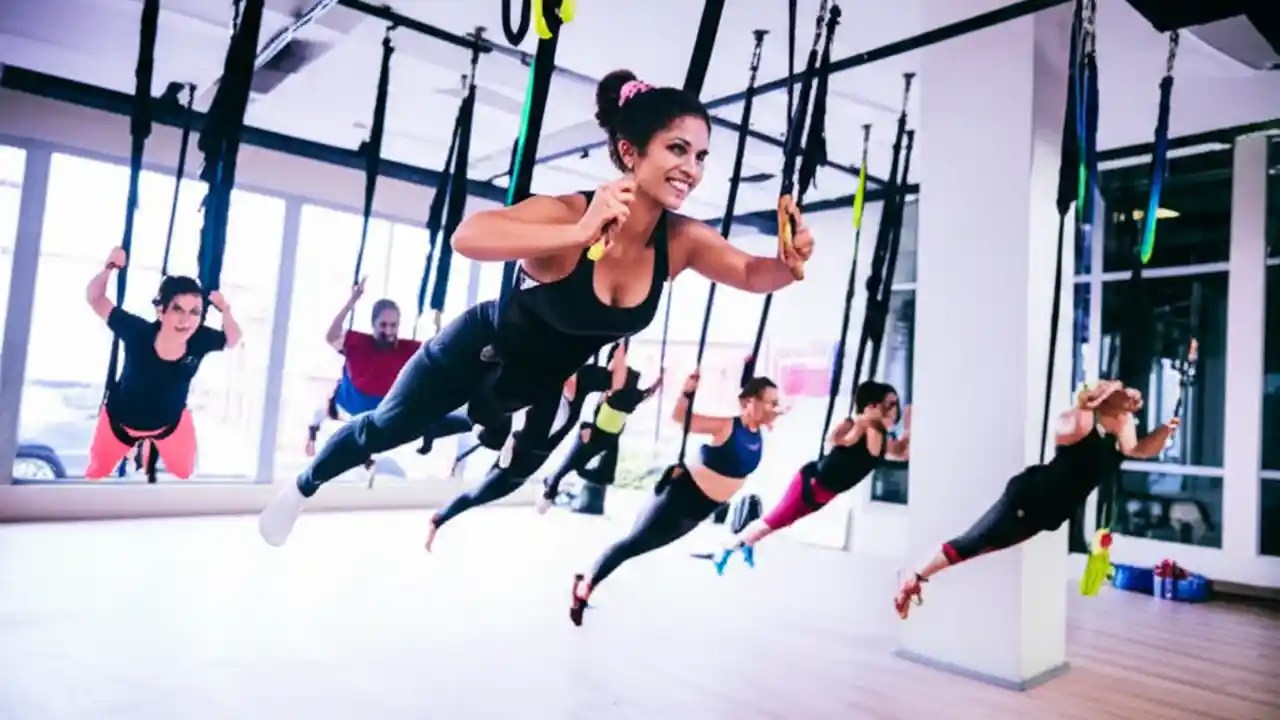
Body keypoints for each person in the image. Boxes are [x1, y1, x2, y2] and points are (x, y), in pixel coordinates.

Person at [258, 69, 815, 547]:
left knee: (504, 447)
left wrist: (789, 262)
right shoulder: (569, 211)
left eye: (700, 156)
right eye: (677, 149)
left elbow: (750, 272)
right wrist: (578, 230)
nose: (692, 168)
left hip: (536, 384)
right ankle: (303, 483)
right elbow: (467, 237)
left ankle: (461, 429)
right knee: (383, 429)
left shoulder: (683, 239)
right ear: (629, 151)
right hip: (475, 351)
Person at [893, 380, 1180, 619]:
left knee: (979, 548)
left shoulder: (1121, 426)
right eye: (1123, 394)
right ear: (1103, 398)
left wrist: (1165, 430)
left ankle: (914, 580)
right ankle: (914, 580)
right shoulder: (1078, 422)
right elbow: (1081, 408)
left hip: (1047, 514)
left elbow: (1139, 449)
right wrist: (1107, 391)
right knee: (973, 543)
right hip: (1030, 498)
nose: (1132, 398)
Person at [567, 372, 782, 626]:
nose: (775, 408)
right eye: (770, 402)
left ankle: (590, 576)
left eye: (775, 402)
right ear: (749, 402)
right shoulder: (726, 426)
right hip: (678, 498)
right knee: (632, 544)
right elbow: (680, 417)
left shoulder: (757, 434)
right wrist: (686, 393)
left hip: (699, 511)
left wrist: (751, 376)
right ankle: (586, 586)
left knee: (638, 547)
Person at [421, 343, 629, 552]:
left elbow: (616, 384)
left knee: (485, 486)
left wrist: (620, 344)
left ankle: (485, 434)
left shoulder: (585, 377)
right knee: (491, 423)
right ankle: (446, 427)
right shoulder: (547, 372)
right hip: (519, 429)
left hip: (526, 453)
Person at [701, 381, 909, 574]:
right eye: (890, 404)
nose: (894, 410)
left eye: (896, 404)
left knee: (776, 523)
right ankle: (725, 551)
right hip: (811, 484)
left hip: (822, 493)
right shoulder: (866, 428)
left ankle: (744, 544)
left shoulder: (875, 433)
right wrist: (863, 422)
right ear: (872, 405)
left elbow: (899, 452)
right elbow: (845, 442)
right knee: (772, 522)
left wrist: (909, 428)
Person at [84, 247, 242, 480]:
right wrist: (110, 267)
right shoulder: (138, 332)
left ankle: (149, 447)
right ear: (161, 311)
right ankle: (140, 447)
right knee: (95, 476)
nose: (186, 320)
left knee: (184, 474)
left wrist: (226, 309)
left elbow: (234, 338)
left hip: (171, 425)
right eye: (178, 309)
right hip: (119, 423)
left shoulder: (200, 339)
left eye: (194, 312)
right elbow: (95, 299)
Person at [303, 281, 470, 475]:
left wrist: (442, 328)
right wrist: (352, 302)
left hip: (384, 415)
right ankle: (315, 434)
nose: (389, 331)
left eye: (393, 325)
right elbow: (331, 336)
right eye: (383, 325)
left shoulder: (408, 349)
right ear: (373, 324)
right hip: (349, 409)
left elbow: (440, 353)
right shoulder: (358, 343)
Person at [536, 357, 664, 513]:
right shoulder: (612, 392)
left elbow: (648, 393)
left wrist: (659, 379)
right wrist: (585, 428)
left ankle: (563, 480)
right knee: (569, 464)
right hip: (594, 432)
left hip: (609, 438)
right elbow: (588, 409)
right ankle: (551, 486)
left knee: (602, 473)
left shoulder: (632, 395)